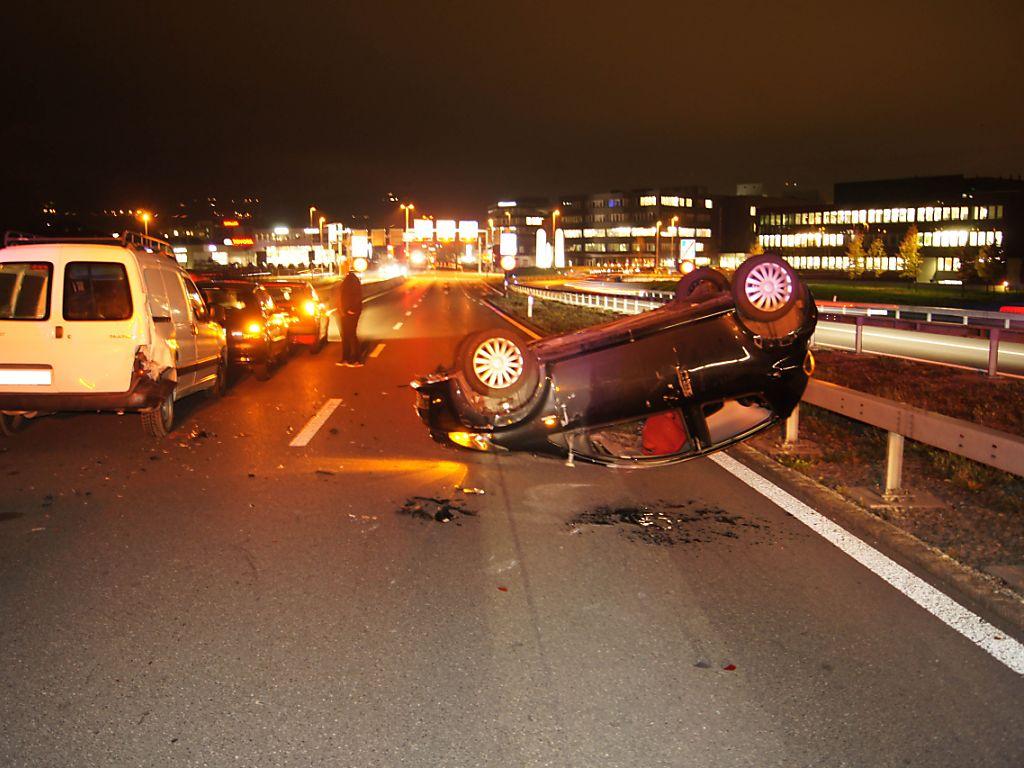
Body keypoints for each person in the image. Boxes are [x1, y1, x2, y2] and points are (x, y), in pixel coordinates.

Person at [336, 269, 363, 366]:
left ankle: (357, 360)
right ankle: (345, 358)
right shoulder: (346, 279)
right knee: (345, 336)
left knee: (351, 335)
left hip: (351, 312)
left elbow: (356, 296)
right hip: (344, 312)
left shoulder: (352, 279)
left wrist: (352, 309)